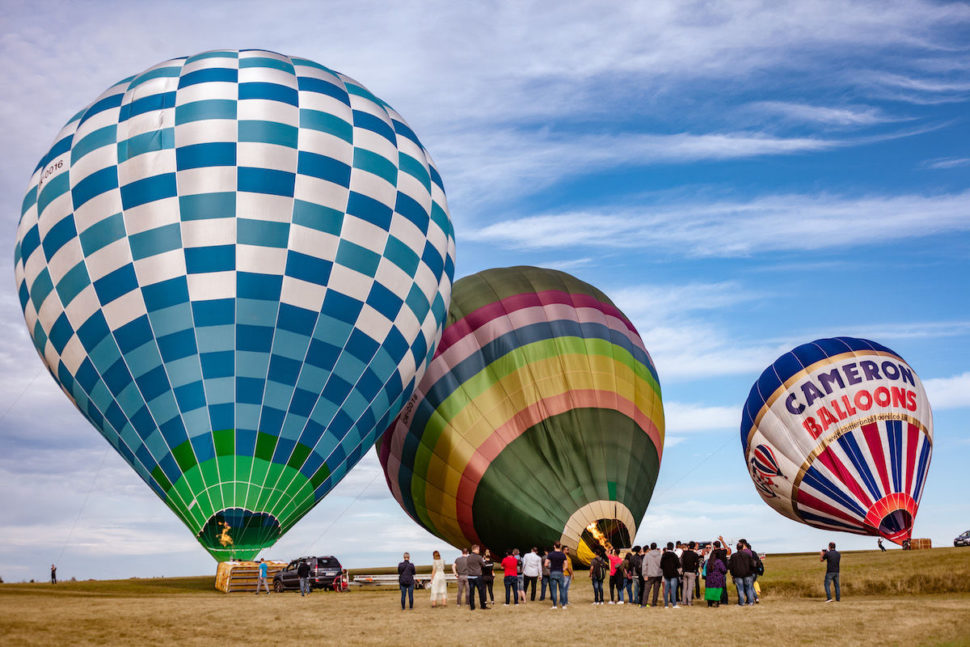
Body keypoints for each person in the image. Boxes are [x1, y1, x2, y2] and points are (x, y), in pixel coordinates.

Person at [465, 544, 488, 610]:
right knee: (481, 592)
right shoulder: (478, 557)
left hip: (470, 577)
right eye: (479, 549)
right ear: (476, 549)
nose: (479, 551)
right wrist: (483, 560)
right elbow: (484, 565)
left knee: (471, 593)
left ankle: (472, 607)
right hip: (477, 576)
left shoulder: (468, 557)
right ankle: (483, 606)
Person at [545, 542, 567, 609]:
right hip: (560, 573)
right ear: (560, 546)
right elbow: (566, 565)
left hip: (553, 573)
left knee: (554, 590)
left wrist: (550, 568)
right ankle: (563, 605)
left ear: (554, 546)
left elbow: (546, 564)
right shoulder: (563, 555)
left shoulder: (550, 554)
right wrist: (563, 569)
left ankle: (554, 605)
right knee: (562, 589)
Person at [660, 542, 681, 608]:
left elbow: (661, 565)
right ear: (673, 547)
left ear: (667, 547)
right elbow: (678, 565)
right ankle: (674, 604)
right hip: (673, 574)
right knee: (673, 590)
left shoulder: (664, 555)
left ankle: (666, 605)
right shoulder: (674, 555)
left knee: (666, 590)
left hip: (666, 574)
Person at [642, 542, 662, 607]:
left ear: (650, 548)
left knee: (646, 590)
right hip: (658, 574)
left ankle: (644, 603)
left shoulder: (647, 555)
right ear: (656, 547)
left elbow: (644, 565)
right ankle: (654, 603)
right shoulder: (660, 555)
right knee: (656, 590)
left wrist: (644, 574)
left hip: (649, 574)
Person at [680, 542, 700, 606]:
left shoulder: (684, 554)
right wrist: (696, 571)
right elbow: (697, 564)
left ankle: (684, 601)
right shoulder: (695, 555)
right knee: (690, 588)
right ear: (694, 547)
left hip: (685, 572)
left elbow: (682, 562)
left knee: (684, 588)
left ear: (688, 546)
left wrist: (683, 570)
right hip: (691, 572)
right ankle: (689, 602)